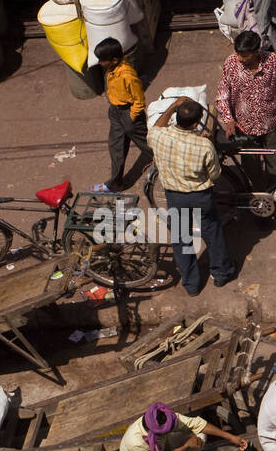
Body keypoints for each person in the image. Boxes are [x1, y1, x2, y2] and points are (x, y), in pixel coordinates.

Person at [148, 96, 237, 294]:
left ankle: (192, 285)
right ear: (196, 123)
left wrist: (173, 106)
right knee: (212, 233)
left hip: (175, 197)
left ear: (176, 118)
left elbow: (156, 127)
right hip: (200, 196)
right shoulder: (204, 146)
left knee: (182, 239)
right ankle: (221, 273)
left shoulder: (159, 137)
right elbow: (215, 174)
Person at [215, 29, 276, 192]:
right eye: (238, 53)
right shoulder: (231, 63)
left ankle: (274, 192)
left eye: (244, 55)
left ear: (256, 52)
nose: (240, 58)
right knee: (251, 166)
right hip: (244, 127)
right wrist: (228, 118)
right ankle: (259, 195)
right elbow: (222, 92)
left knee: (274, 163)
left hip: (269, 126)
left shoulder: (273, 61)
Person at [94, 37, 148, 193]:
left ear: (114, 59)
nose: (99, 63)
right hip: (116, 112)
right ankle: (115, 183)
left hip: (128, 113)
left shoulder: (127, 75)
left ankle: (168, 164)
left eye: (102, 60)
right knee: (116, 147)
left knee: (147, 145)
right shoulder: (111, 69)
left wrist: (131, 117)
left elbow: (139, 100)